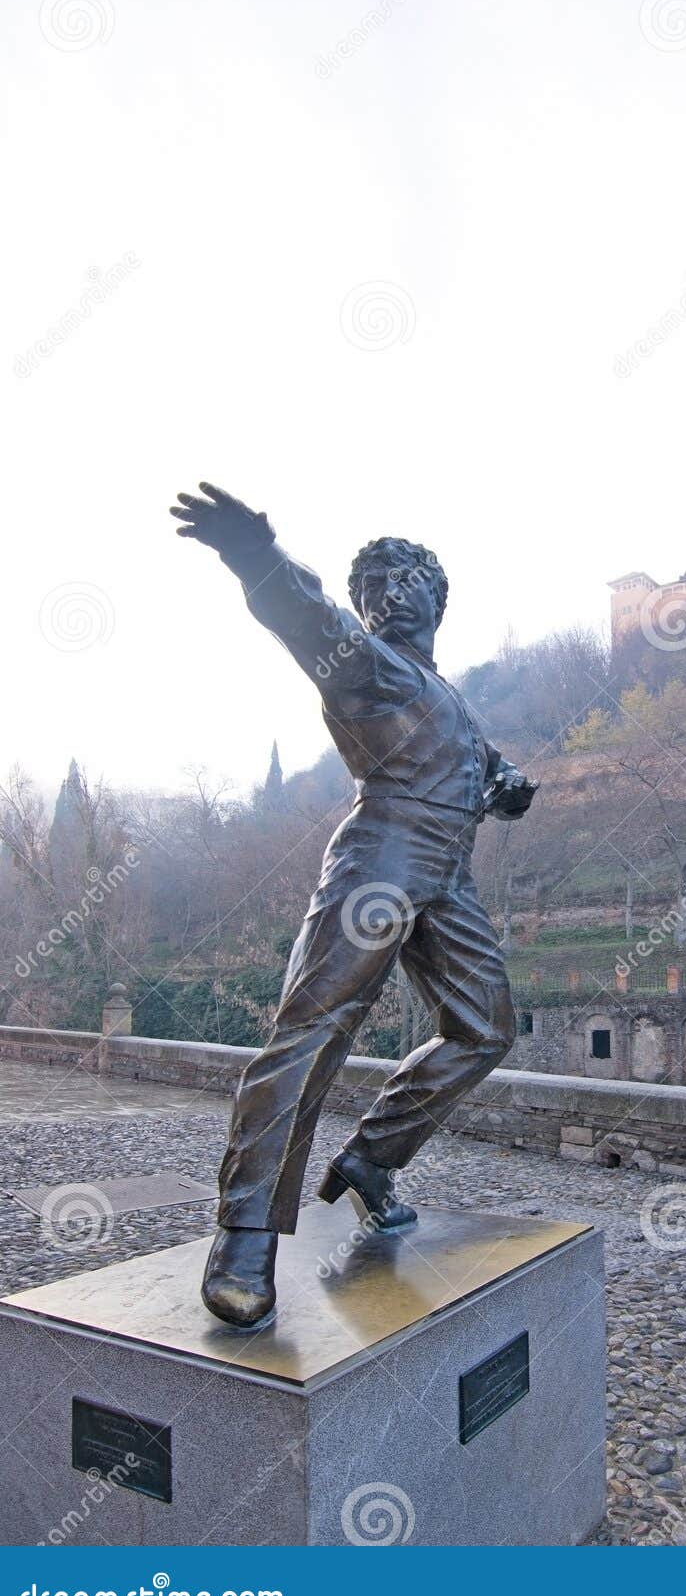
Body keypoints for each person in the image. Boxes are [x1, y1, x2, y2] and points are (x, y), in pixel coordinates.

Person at [169, 483, 536, 1327]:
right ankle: (246, 1232)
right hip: (381, 860)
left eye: (407, 580)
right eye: (375, 586)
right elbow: (310, 620)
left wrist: (504, 784)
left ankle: (371, 1160)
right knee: (311, 1032)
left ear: (438, 602)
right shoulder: (363, 666)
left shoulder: (446, 694)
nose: (388, 594)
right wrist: (255, 557)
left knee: (485, 1027)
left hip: (448, 877)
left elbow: (481, 765)